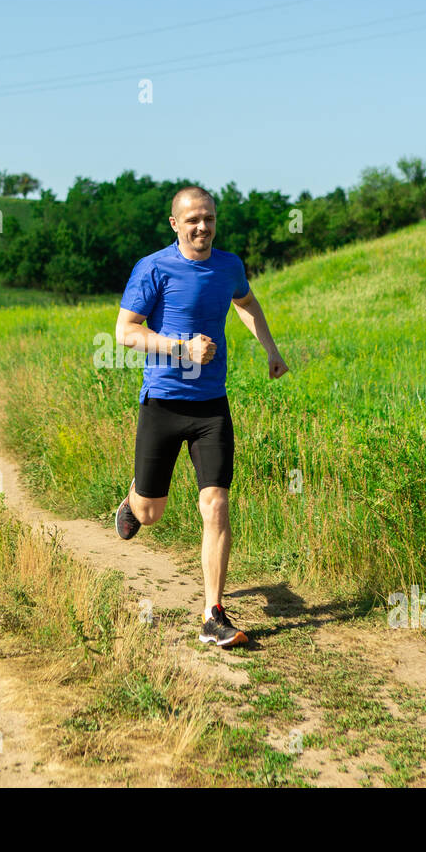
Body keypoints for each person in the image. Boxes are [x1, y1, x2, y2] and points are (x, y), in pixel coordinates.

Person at [113, 185, 288, 648]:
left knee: (216, 504)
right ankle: (132, 503)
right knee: (151, 514)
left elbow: (245, 303)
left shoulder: (228, 266)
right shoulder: (153, 268)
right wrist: (181, 348)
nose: (202, 227)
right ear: (175, 223)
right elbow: (125, 332)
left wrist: (270, 350)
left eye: (208, 218)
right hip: (164, 402)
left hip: (212, 406)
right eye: (192, 219)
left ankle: (213, 613)